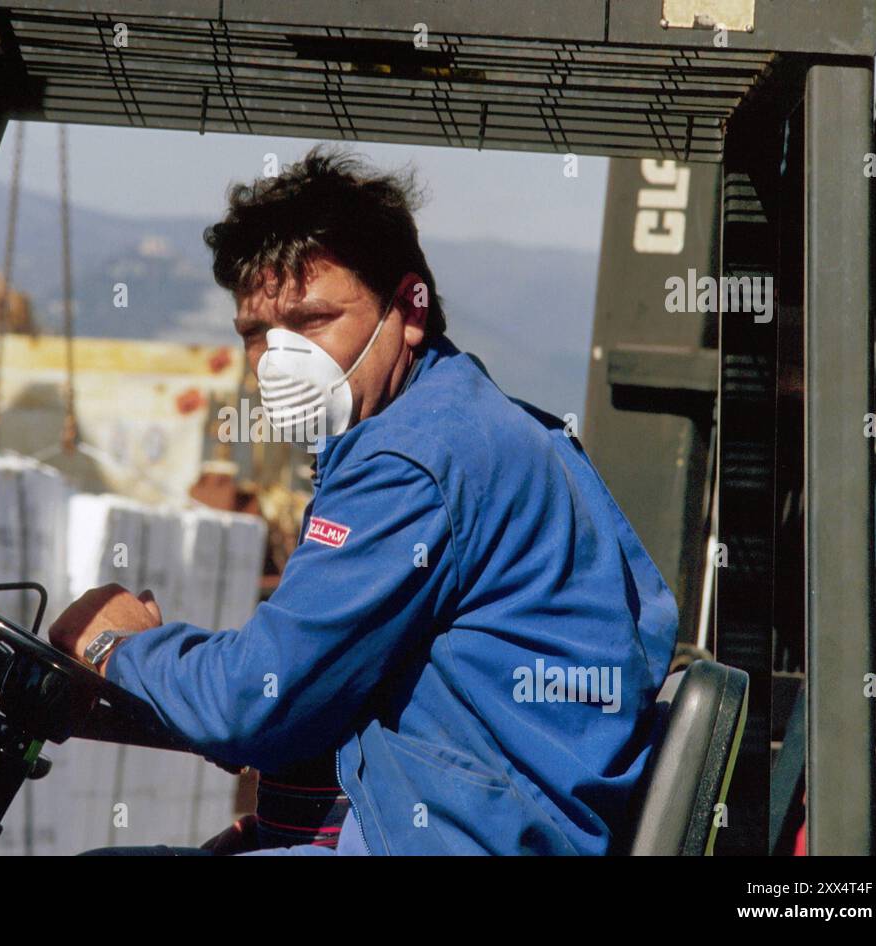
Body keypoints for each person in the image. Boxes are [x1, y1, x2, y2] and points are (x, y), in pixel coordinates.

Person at [52, 147, 678, 855]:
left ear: (409, 312)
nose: (278, 359)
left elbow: (255, 698)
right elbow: (321, 694)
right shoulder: (478, 422)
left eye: (312, 321)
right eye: (257, 333)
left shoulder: (411, 457)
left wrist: (118, 646)